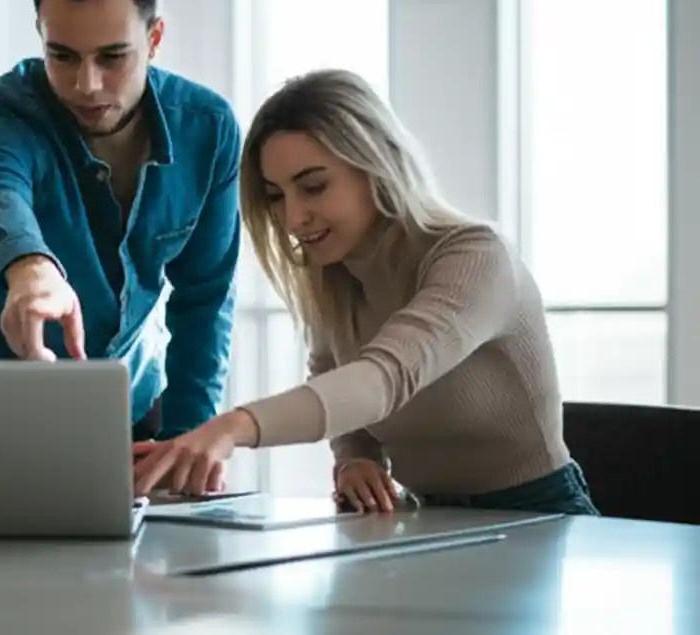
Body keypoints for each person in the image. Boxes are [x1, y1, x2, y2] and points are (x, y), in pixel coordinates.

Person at [132, 69, 598, 516]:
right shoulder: (334, 274)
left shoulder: (477, 257)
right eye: (276, 196)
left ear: (377, 165)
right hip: (430, 519)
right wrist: (355, 457)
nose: (294, 219)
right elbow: (333, 373)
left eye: (313, 187)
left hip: (540, 514)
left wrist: (232, 428)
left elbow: (384, 379)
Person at [0, 0, 242, 453]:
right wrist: (31, 270)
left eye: (112, 57)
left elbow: (205, 297)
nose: (87, 84)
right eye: (61, 56)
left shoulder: (209, 128)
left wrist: (189, 440)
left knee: (147, 526)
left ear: (154, 39)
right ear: (40, 36)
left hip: (117, 384)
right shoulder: (0, 111)